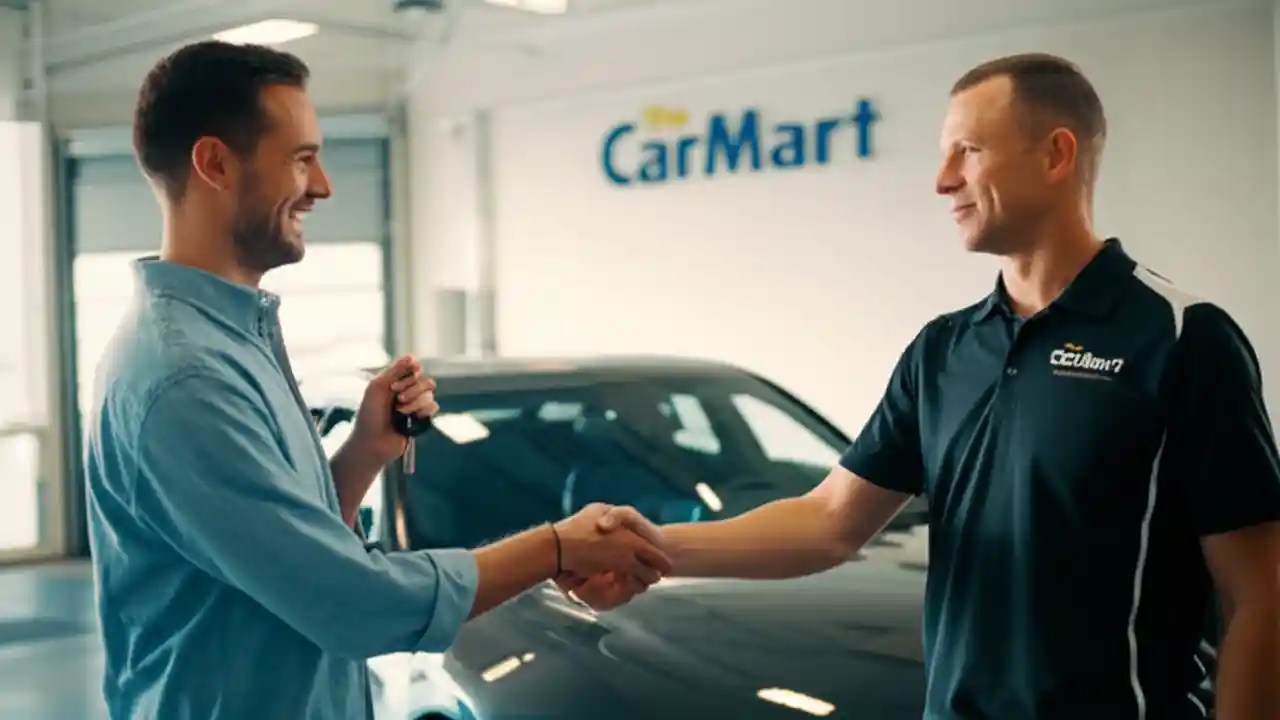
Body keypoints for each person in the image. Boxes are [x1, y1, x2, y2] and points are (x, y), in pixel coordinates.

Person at [561, 53, 1280, 719]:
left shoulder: (1181, 338)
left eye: (969, 150)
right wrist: (650, 548)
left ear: (1056, 154)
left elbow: (1259, 594)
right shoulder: (943, 351)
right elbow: (829, 522)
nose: (942, 180)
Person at [83, 40, 669, 720]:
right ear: (214, 163)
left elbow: (281, 553)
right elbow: (354, 602)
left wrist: (365, 450)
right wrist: (558, 545)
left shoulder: (228, 341)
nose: (324, 186)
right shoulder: (186, 378)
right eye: (301, 158)